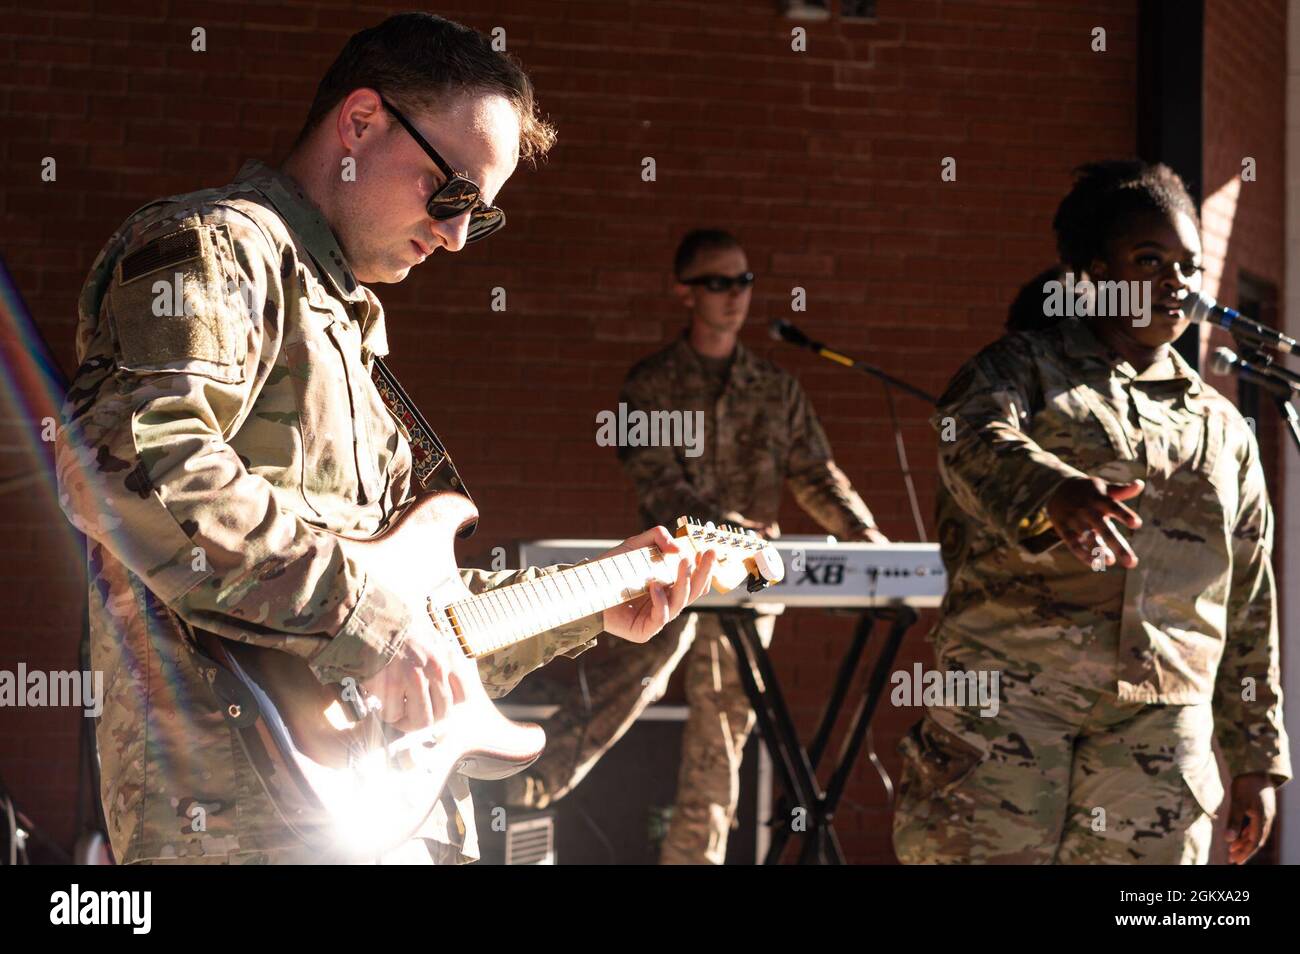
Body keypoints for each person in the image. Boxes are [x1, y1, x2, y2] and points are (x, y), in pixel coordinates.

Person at [54, 13, 711, 866]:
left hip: (378, 817)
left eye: (480, 215)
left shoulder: (349, 334)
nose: (457, 235)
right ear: (361, 122)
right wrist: (374, 622)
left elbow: (418, 626)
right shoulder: (219, 247)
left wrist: (593, 605)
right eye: (451, 193)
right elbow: (129, 463)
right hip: (240, 820)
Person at [893, 160, 1291, 864]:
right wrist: (1051, 489)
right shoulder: (1023, 368)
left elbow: (1249, 598)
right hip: (1010, 709)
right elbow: (967, 434)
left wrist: (1256, 753)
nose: (1176, 282)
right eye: (1149, 261)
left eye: (1189, 266)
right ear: (1095, 272)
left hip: (1159, 737)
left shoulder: (1223, 427)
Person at [507, 229, 888, 864]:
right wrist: (734, 530)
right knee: (621, 692)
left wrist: (863, 534)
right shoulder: (651, 385)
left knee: (722, 737)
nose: (734, 295)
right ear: (685, 292)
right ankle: (517, 797)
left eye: (744, 282)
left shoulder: (775, 387)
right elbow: (660, 485)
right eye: (718, 282)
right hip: (666, 577)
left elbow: (816, 473)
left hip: (749, 583)